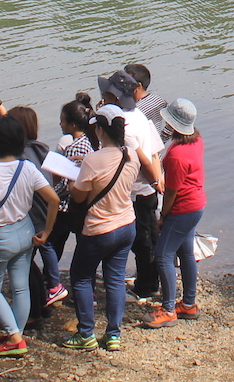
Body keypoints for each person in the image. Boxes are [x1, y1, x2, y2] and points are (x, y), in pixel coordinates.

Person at [0, 115, 59, 357]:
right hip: (26, 230)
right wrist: (48, 231)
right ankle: (16, 333)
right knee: (20, 287)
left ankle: (14, 337)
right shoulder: (28, 167)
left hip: (0, 236)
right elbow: (53, 199)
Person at [64, 113, 140, 352]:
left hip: (99, 228)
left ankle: (86, 333)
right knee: (115, 279)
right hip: (127, 224)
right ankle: (113, 335)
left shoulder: (93, 160)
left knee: (81, 276)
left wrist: (70, 180)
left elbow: (78, 195)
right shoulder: (131, 155)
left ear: (99, 131)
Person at [96, 70, 165, 302]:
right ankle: (153, 279)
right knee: (151, 236)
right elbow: (155, 152)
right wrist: (157, 181)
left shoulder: (124, 125)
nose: (103, 97)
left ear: (116, 97)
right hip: (148, 188)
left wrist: (154, 179)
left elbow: (144, 160)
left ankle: (146, 286)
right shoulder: (140, 116)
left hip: (138, 190)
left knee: (142, 240)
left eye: (106, 94)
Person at [141, 99, 204, 329]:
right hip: (196, 205)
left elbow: (171, 193)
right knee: (186, 253)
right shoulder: (196, 141)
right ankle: (188, 303)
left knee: (163, 255)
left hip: (182, 209)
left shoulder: (177, 155)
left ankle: (168, 309)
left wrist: (163, 217)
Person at [7, 105, 58, 320]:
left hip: (31, 217)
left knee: (23, 266)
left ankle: (33, 313)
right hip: (45, 215)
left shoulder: (21, 158)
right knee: (29, 265)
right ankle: (41, 305)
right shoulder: (42, 150)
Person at [43, 97, 95, 303]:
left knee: (50, 242)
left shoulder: (74, 148)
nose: (60, 124)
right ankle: (86, 290)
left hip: (68, 207)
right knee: (81, 247)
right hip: (81, 207)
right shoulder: (89, 142)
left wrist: (51, 190)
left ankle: (52, 283)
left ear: (72, 124)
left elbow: (68, 184)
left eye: (63, 121)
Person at [126, 63, 167, 134]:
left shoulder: (135, 110)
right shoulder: (159, 100)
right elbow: (172, 123)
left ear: (138, 86)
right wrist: (163, 138)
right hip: (158, 142)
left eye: (126, 82)